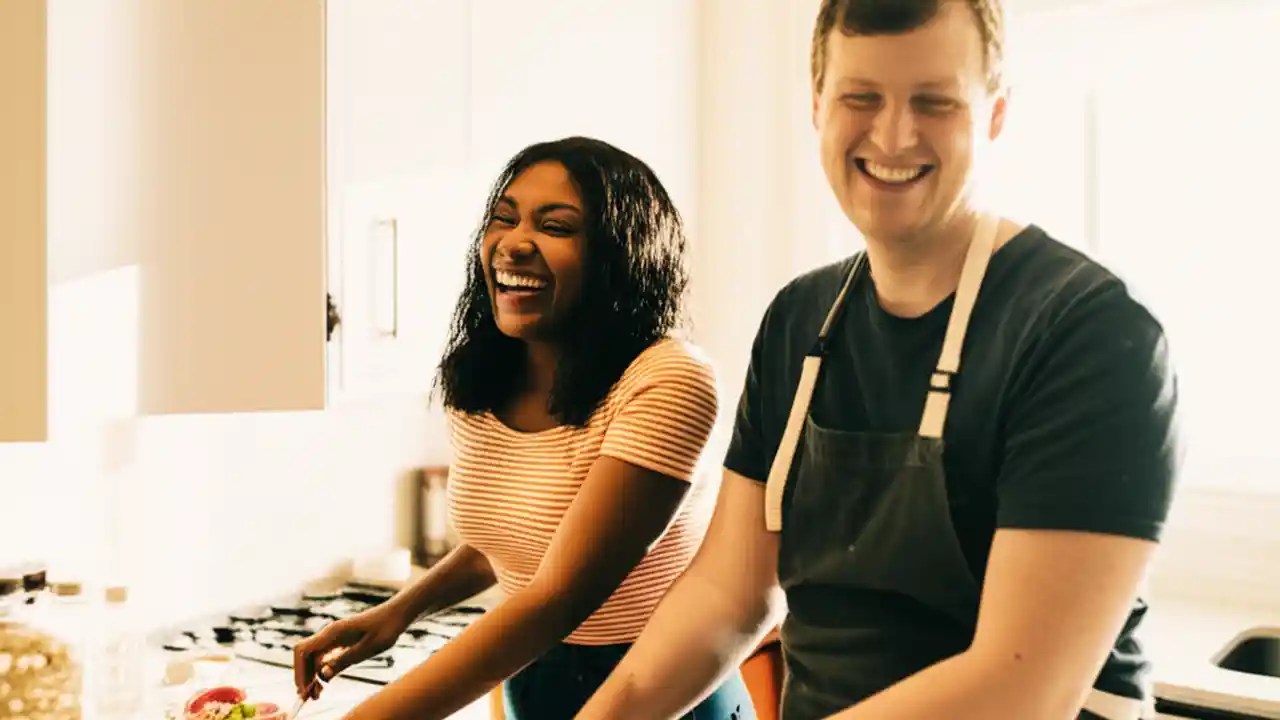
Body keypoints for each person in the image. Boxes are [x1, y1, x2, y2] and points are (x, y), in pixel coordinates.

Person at [576, 1, 1180, 719]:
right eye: (861, 97)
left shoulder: (1089, 334)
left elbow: (1021, 690)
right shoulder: (800, 321)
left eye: (935, 102)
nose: (894, 135)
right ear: (817, 105)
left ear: (994, 115)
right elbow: (727, 596)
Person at [293, 136, 755, 720]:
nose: (513, 244)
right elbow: (511, 545)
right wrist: (398, 613)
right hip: (535, 685)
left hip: (663, 691)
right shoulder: (482, 377)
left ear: (619, 256)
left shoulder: (669, 382)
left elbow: (558, 597)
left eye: (556, 226)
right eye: (503, 219)